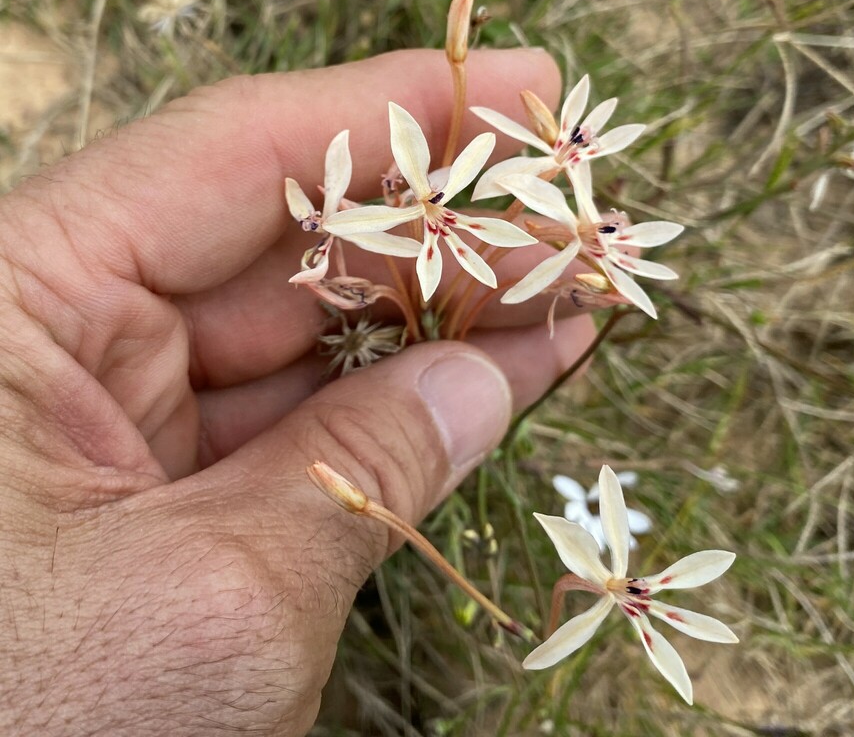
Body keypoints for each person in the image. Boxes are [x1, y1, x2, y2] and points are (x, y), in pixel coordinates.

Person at [0, 48, 595, 735]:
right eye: (408, 193)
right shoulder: (361, 234)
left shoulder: (432, 226)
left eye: (413, 193)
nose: (411, 197)